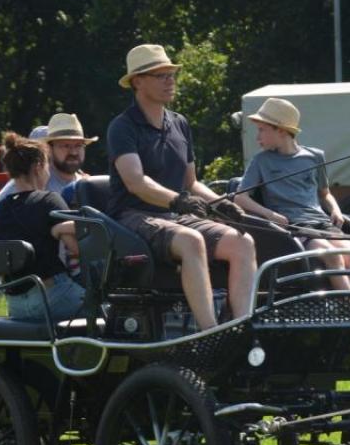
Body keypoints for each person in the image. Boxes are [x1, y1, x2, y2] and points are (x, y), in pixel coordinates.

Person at [107, 43, 255, 330]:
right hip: (133, 216)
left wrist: (221, 203)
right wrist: (177, 201)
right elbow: (135, 182)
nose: (170, 81)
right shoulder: (122, 127)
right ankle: (211, 332)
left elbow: (192, 183)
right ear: (137, 81)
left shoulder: (179, 123)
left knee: (242, 242)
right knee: (191, 241)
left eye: (171, 74)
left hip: (175, 216)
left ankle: (241, 327)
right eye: (160, 75)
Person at [235, 97, 350, 291]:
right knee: (332, 255)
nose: (257, 138)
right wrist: (270, 215)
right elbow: (240, 197)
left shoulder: (315, 156)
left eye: (262, 130)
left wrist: (335, 210)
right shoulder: (260, 161)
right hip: (295, 227)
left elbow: (325, 194)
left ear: (281, 130)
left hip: (322, 223)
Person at [0, 132, 85, 321]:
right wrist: (59, 229)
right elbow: (76, 248)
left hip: (16, 305)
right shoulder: (49, 200)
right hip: (54, 297)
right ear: (39, 166)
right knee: (107, 308)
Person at [0, 113, 97, 239]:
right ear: (50, 149)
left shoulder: (88, 184)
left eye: (79, 145)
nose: (73, 152)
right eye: (65, 146)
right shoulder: (33, 177)